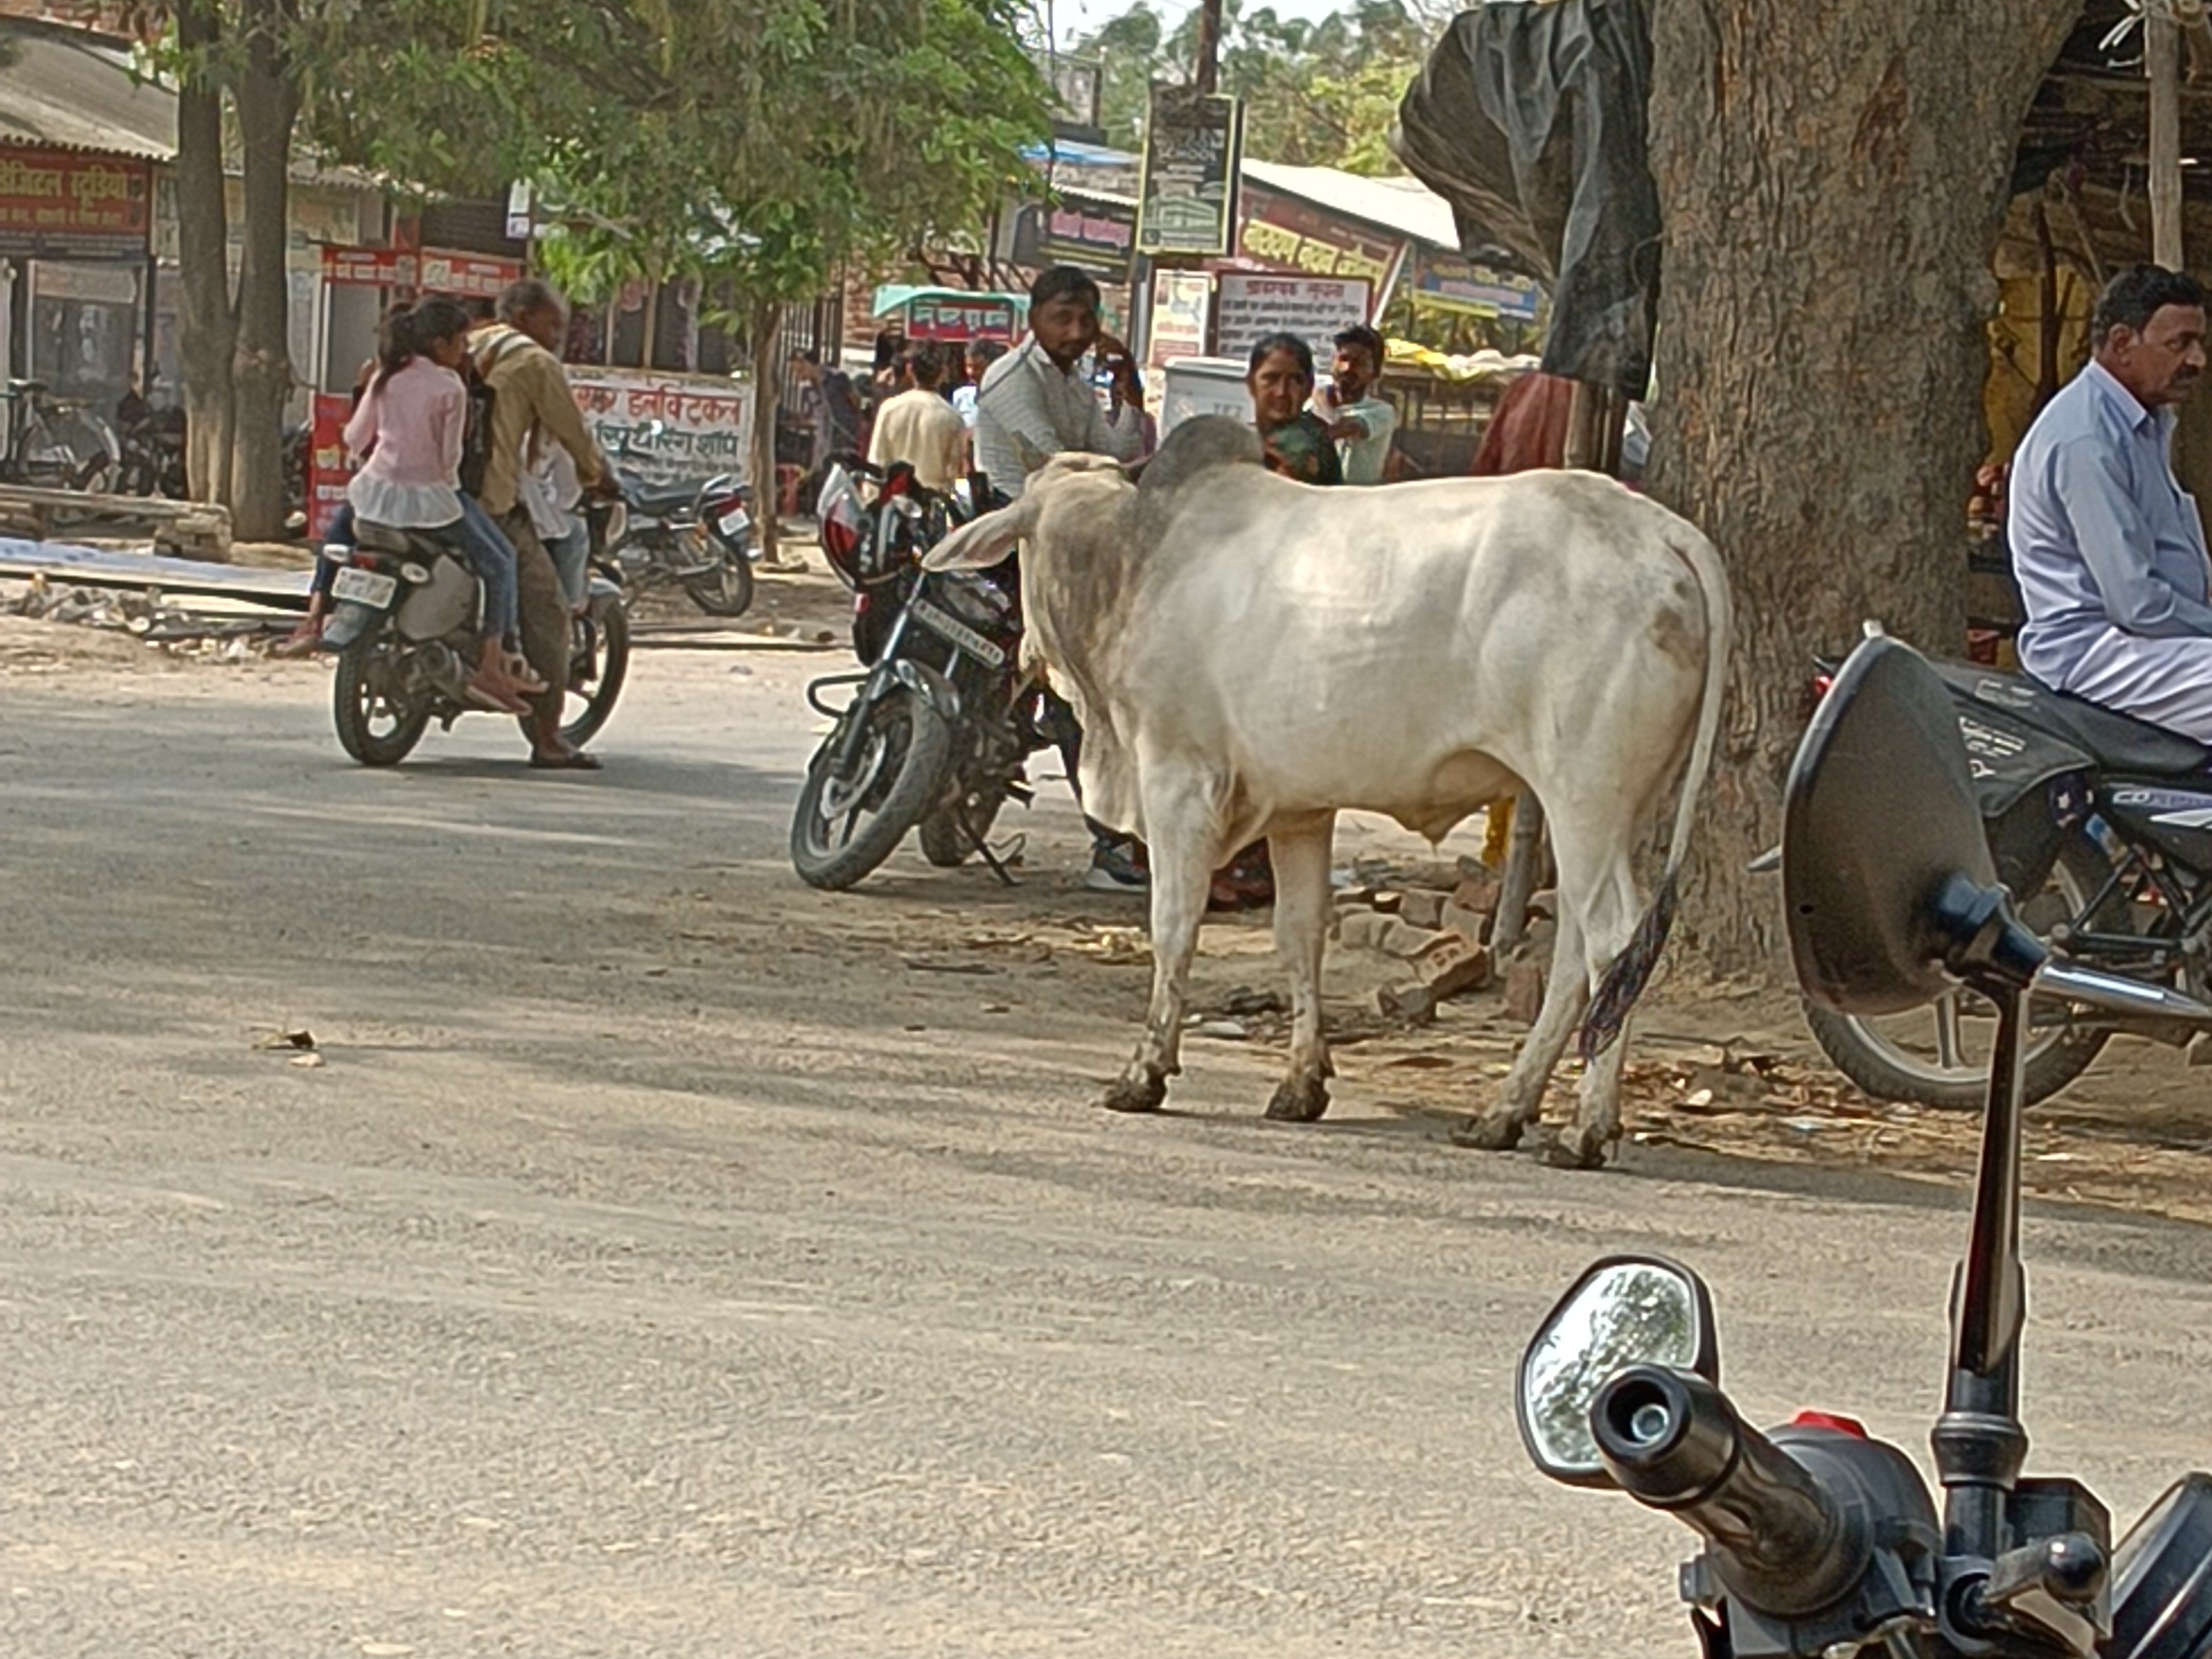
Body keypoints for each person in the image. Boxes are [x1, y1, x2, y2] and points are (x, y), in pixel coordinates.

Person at [974, 265, 1149, 892]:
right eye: (1063, 318)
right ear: (1034, 318)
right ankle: (1110, 844)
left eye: (1087, 319)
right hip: (1010, 538)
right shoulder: (1011, 380)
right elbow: (1057, 467)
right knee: (1077, 686)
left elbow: (1112, 447)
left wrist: (1128, 396)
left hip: (1070, 544)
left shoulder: (1076, 383)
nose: (1077, 332)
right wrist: (1110, 469)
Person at [2010, 263, 2212, 739]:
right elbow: (2136, 604)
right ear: (2122, 343)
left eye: (2199, 343)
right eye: (2179, 343)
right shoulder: (2087, 439)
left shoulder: (2143, 423)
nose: (2198, 360)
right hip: (2095, 650)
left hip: (2142, 643)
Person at [343, 296, 541, 715]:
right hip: (429, 500)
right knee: (500, 561)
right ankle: (492, 662)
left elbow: (356, 437)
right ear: (439, 344)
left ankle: (317, 613)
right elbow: (450, 462)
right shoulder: (450, 386)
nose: (465, 352)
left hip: (373, 495)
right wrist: (454, 496)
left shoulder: (385, 377)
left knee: (338, 546)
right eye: (460, 343)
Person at [469, 278, 617, 770]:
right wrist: (601, 475)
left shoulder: (469, 343)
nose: (557, 335)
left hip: (437, 495)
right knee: (550, 608)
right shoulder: (536, 363)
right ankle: (549, 737)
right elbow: (572, 431)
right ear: (525, 316)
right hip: (492, 502)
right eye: (553, 324)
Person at [867, 343, 968, 494]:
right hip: (932, 502)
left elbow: (876, 462)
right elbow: (954, 472)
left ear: (910, 370)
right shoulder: (951, 418)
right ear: (943, 373)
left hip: (893, 502)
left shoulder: (890, 409)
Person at [1247, 333, 1342, 485]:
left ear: (1309, 388)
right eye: (1271, 379)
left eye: (1295, 381)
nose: (1281, 392)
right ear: (1251, 383)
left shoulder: (1305, 441)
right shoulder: (1250, 439)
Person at [1316, 323, 1396, 484]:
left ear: (1375, 373)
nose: (1347, 368)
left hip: (1358, 504)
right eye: (1343, 359)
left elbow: (1345, 428)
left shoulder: (1381, 412)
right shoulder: (1311, 403)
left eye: (1359, 363)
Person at [789, 346, 862, 490]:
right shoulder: (807, 388)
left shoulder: (837, 378)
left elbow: (855, 399)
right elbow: (812, 414)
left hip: (845, 435)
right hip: (824, 440)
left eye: (799, 370)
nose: (797, 375)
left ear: (807, 364)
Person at [951, 338, 1006, 431]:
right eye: (968, 366)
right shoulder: (961, 396)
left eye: (977, 367)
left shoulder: (1005, 399)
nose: (971, 372)